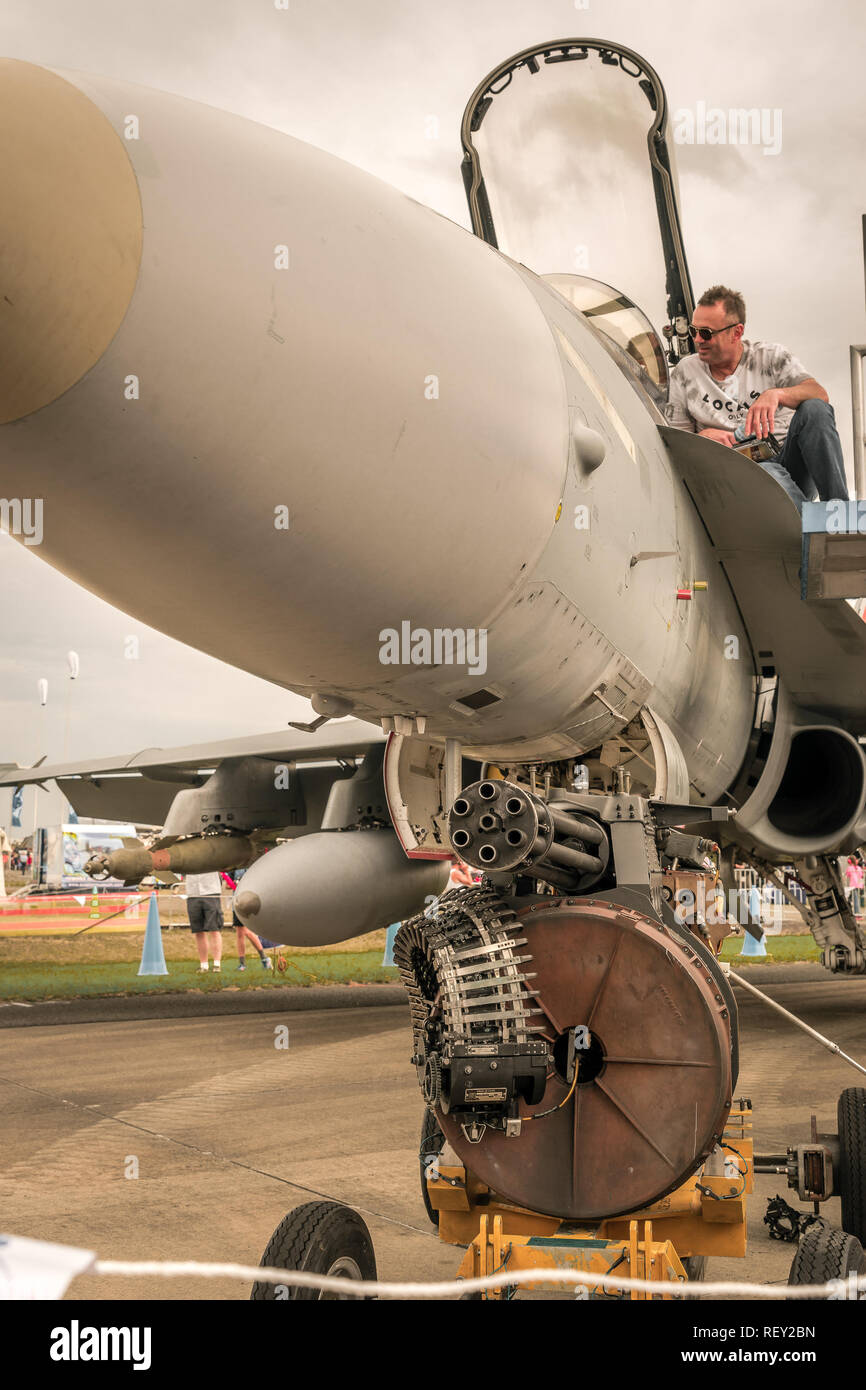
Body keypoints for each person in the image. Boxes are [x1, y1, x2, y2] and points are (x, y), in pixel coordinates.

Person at [665, 285, 849, 509]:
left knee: (815, 409)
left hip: (786, 456)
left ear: (737, 332)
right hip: (736, 468)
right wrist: (702, 436)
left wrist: (777, 394)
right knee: (765, 470)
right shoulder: (685, 372)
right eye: (694, 331)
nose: (698, 340)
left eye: (706, 333)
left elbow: (819, 394)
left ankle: (839, 514)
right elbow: (675, 442)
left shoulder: (771, 357)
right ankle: (812, 531)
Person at [220, 869, 273, 970]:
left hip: (248, 903)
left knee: (246, 931)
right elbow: (227, 886)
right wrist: (233, 883)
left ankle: (264, 958)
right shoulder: (234, 869)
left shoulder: (250, 868)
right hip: (237, 904)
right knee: (240, 933)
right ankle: (242, 964)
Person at [184, 870, 224, 972]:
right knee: (198, 931)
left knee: (214, 929)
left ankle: (217, 964)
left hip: (211, 891)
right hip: (193, 893)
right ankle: (204, 964)